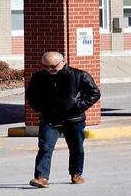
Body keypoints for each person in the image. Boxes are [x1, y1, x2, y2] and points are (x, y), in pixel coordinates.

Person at [26, 51, 101, 188]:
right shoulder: (38, 77)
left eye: (53, 66)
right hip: (49, 119)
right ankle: (41, 177)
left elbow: (94, 93)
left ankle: (76, 174)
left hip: (73, 119)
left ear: (63, 61)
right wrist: (40, 107)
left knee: (76, 147)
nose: (49, 69)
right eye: (46, 66)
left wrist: (77, 107)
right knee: (45, 148)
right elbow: (31, 95)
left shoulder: (79, 76)